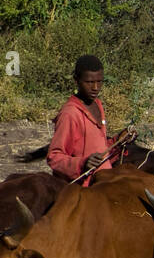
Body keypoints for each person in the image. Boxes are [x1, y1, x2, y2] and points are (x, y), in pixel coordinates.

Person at [47, 55, 136, 186]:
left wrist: (118, 140)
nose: (95, 87)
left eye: (99, 81)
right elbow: (54, 157)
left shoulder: (97, 105)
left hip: (103, 181)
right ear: (76, 81)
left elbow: (98, 148)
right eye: (89, 82)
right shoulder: (70, 114)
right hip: (83, 190)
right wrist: (82, 163)